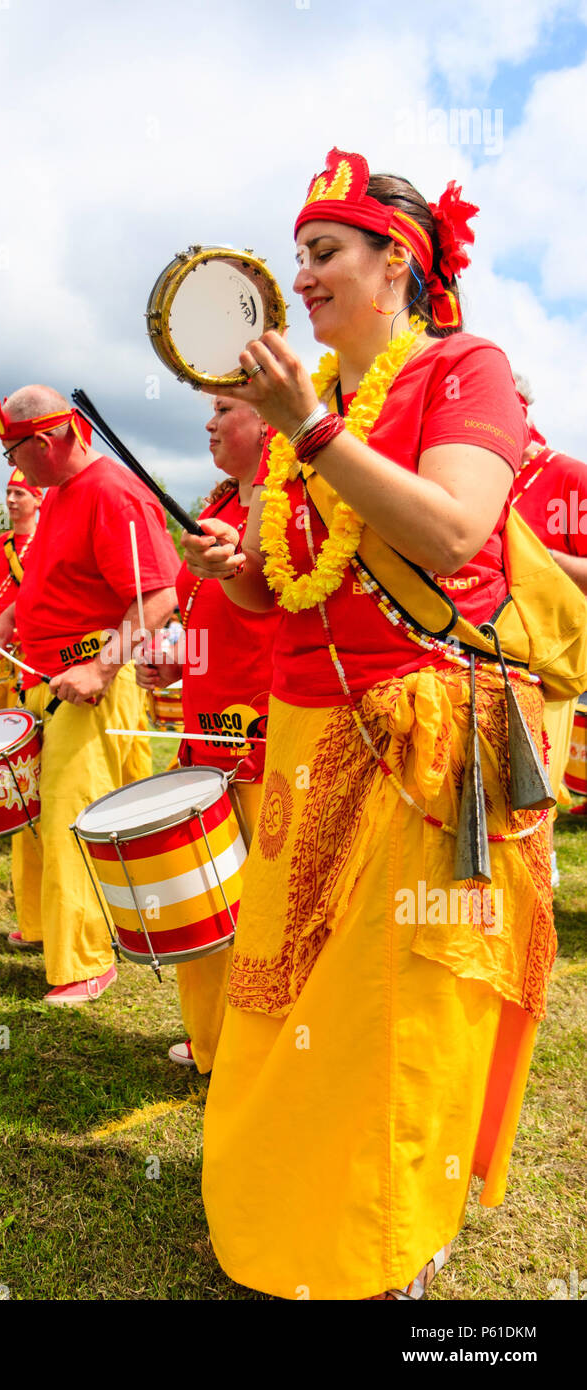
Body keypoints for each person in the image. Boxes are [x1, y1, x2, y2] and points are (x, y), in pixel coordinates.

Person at [183, 148, 561, 1300]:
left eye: (324, 252)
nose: (300, 276)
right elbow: (293, 590)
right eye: (296, 254)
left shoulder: (462, 368)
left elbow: (452, 533)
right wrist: (238, 571)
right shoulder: (323, 406)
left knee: (388, 1005)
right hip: (304, 735)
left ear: (396, 262)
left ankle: (384, 1239)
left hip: (417, 736)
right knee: (287, 991)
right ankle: (289, 1214)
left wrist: (305, 428)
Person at [0, 386, 178, 1004]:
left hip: (91, 683)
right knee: (40, 811)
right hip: (51, 678)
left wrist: (99, 669)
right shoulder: (64, 494)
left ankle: (87, 960)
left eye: (14, 452)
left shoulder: (113, 491)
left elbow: (157, 596)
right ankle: (49, 929)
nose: (14, 469)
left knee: (72, 811)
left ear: (44, 441)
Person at [136, 398, 279, 1071]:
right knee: (210, 904)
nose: (209, 422)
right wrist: (171, 658)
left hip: (267, 744)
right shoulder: (217, 506)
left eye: (225, 408)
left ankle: (263, 1051)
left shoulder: (291, 501)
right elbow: (199, 610)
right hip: (205, 742)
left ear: (269, 421)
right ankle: (213, 1043)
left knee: (263, 911)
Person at [511, 376, 587, 876]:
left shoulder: (569, 476)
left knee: (533, 804)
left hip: (551, 670)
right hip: (473, 662)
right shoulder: (475, 472)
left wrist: (537, 558)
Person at [0, 468, 42, 713]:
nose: (11, 499)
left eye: (19, 493)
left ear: (37, 500)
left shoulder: (45, 539)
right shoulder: (3, 541)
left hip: (25, 644)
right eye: (8, 493)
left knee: (19, 716)